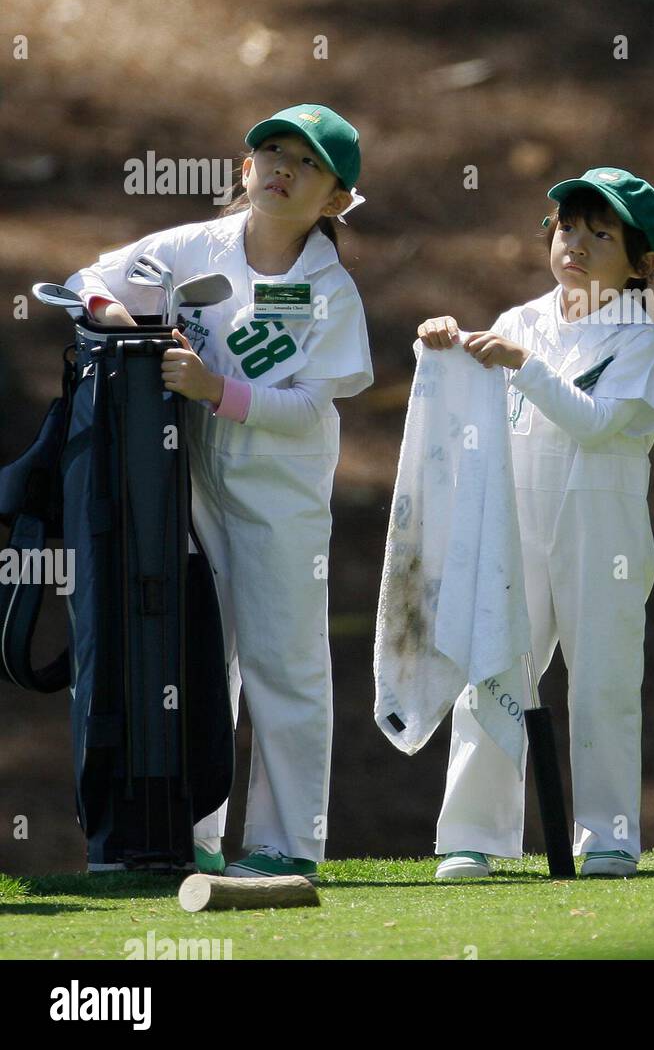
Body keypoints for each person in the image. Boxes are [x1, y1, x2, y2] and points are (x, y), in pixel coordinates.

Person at [66, 104, 374, 881]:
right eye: (270, 151)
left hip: (280, 498)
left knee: (284, 666)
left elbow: (312, 409)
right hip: (185, 483)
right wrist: (125, 323)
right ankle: (192, 834)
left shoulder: (329, 288)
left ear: (336, 199)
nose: (282, 168)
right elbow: (89, 281)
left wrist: (214, 390)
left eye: (307, 164)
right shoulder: (193, 246)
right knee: (197, 659)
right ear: (244, 169)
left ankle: (285, 845)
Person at [418, 167, 654, 880]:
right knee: (492, 670)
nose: (577, 245)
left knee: (604, 685)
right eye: (567, 227)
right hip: (514, 522)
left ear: (640, 263)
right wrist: (441, 344)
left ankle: (609, 838)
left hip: (604, 531)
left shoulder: (639, 341)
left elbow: (594, 425)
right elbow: (470, 404)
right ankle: (473, 837)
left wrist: (524, 367)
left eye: (602, 233)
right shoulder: (517, 322)